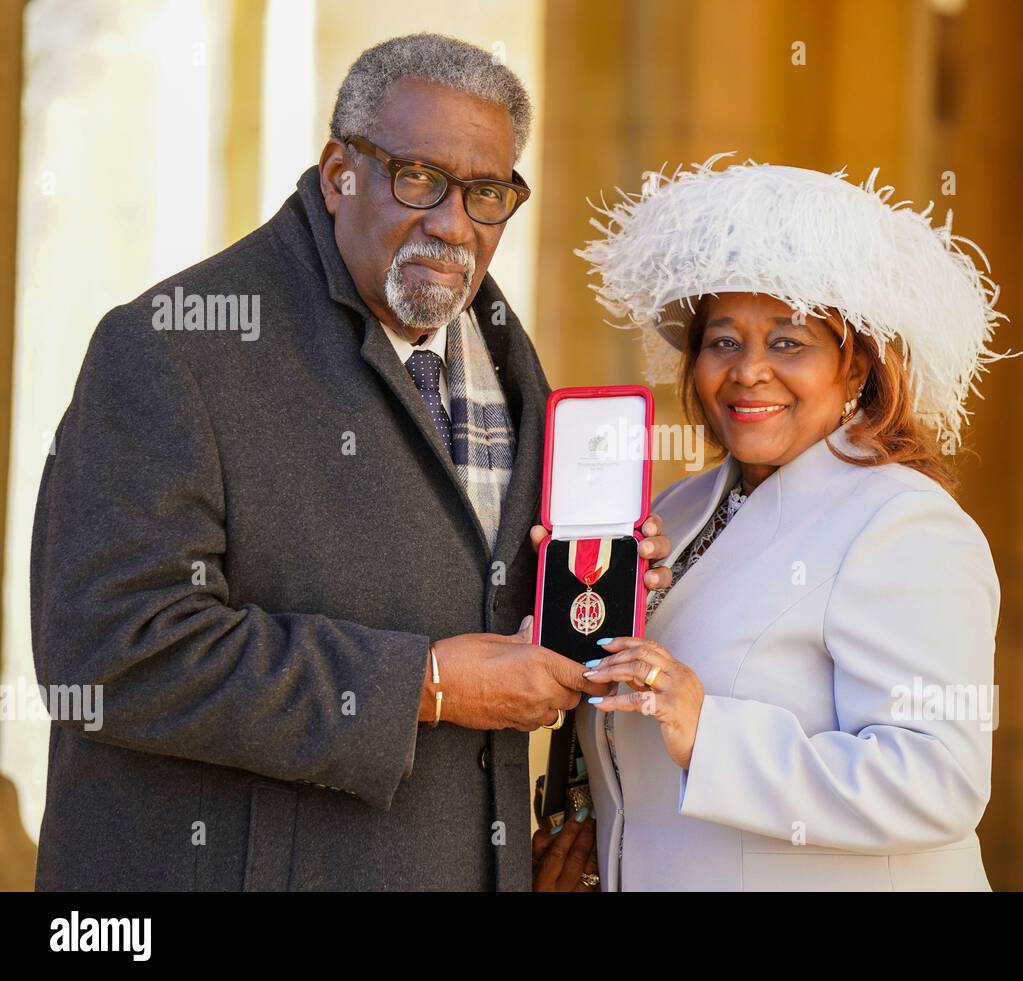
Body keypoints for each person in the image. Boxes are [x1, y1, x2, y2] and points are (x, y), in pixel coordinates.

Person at [29, 32, 672, 891]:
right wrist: (428, 683)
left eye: (486, 193)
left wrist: (602, 581)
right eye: (418, 179)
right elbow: (112, 655)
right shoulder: (171, 348)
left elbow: (481, 598)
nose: (453, 223)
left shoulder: (501, 358)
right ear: (340, 172)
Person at [570, 153, 1019, 890]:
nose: (748, 370)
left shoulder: (905, 525)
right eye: (723, 340)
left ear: (857, 370)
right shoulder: (673, 512)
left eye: (788, 342)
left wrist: (710, 731)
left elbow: (939, 780)